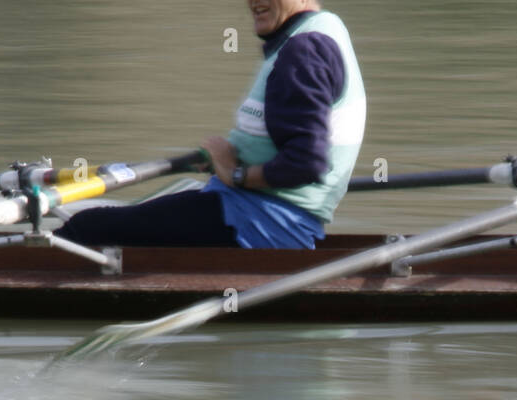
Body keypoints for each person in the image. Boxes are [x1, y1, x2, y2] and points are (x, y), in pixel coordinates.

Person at [57, 1, 365, 249]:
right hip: (256, 211)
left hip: (262, 224)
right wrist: (226, 160)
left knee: (86, 228)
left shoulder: (304, 52)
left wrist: (235, 174)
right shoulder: (324, 29)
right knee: (118, 225)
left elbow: (306, 164)